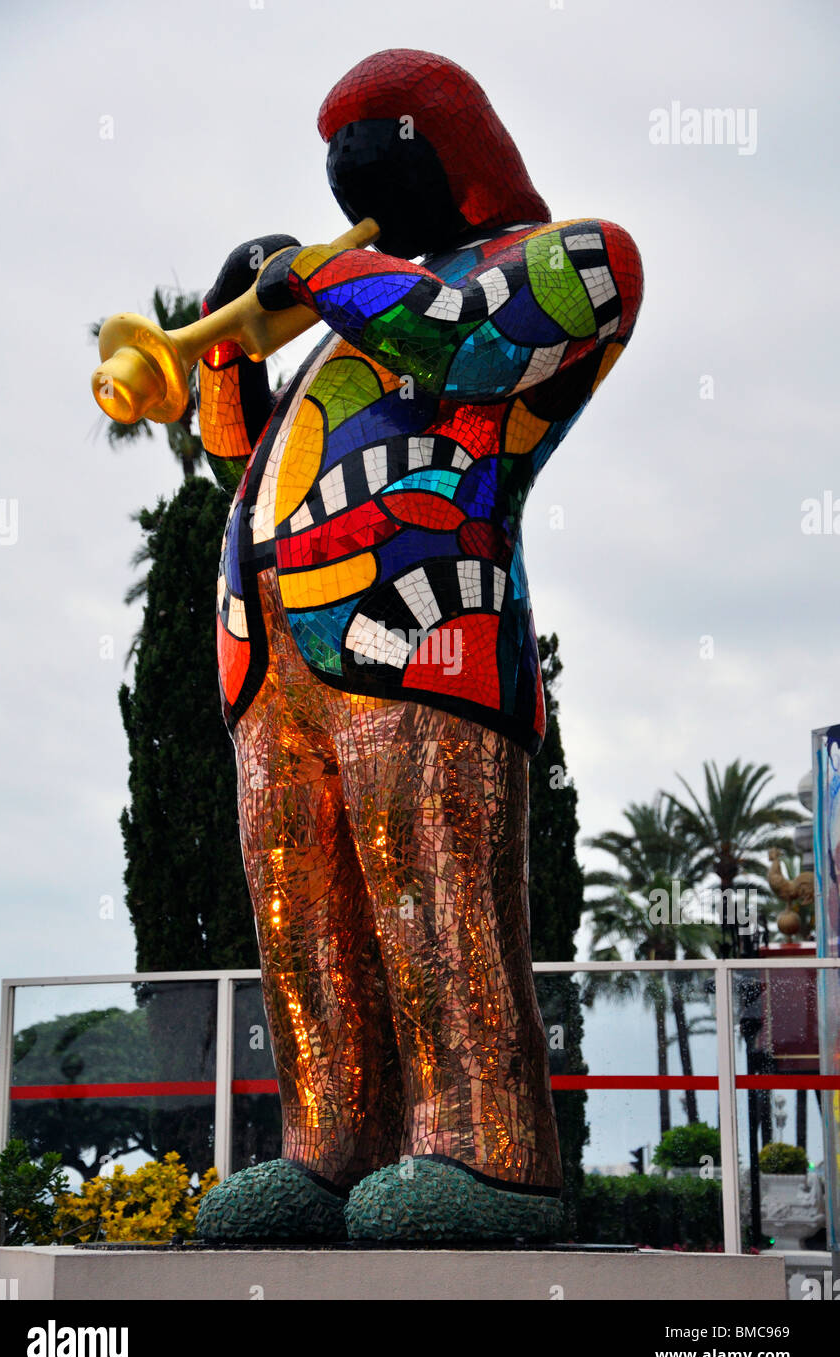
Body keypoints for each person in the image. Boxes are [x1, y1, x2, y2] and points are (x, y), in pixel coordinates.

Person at [195, 48, 643, 1241]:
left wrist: (329, 275)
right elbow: (236, 460)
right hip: (277, 664)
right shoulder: (344, 333)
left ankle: (488, 1150)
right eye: (334, 134)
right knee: (303, 922)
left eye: (378, 126)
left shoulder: (569, 260)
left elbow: (471, 348)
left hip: (427, 631)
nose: (348, 160)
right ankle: (326, 1148)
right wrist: (227, 341)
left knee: (431, 895)